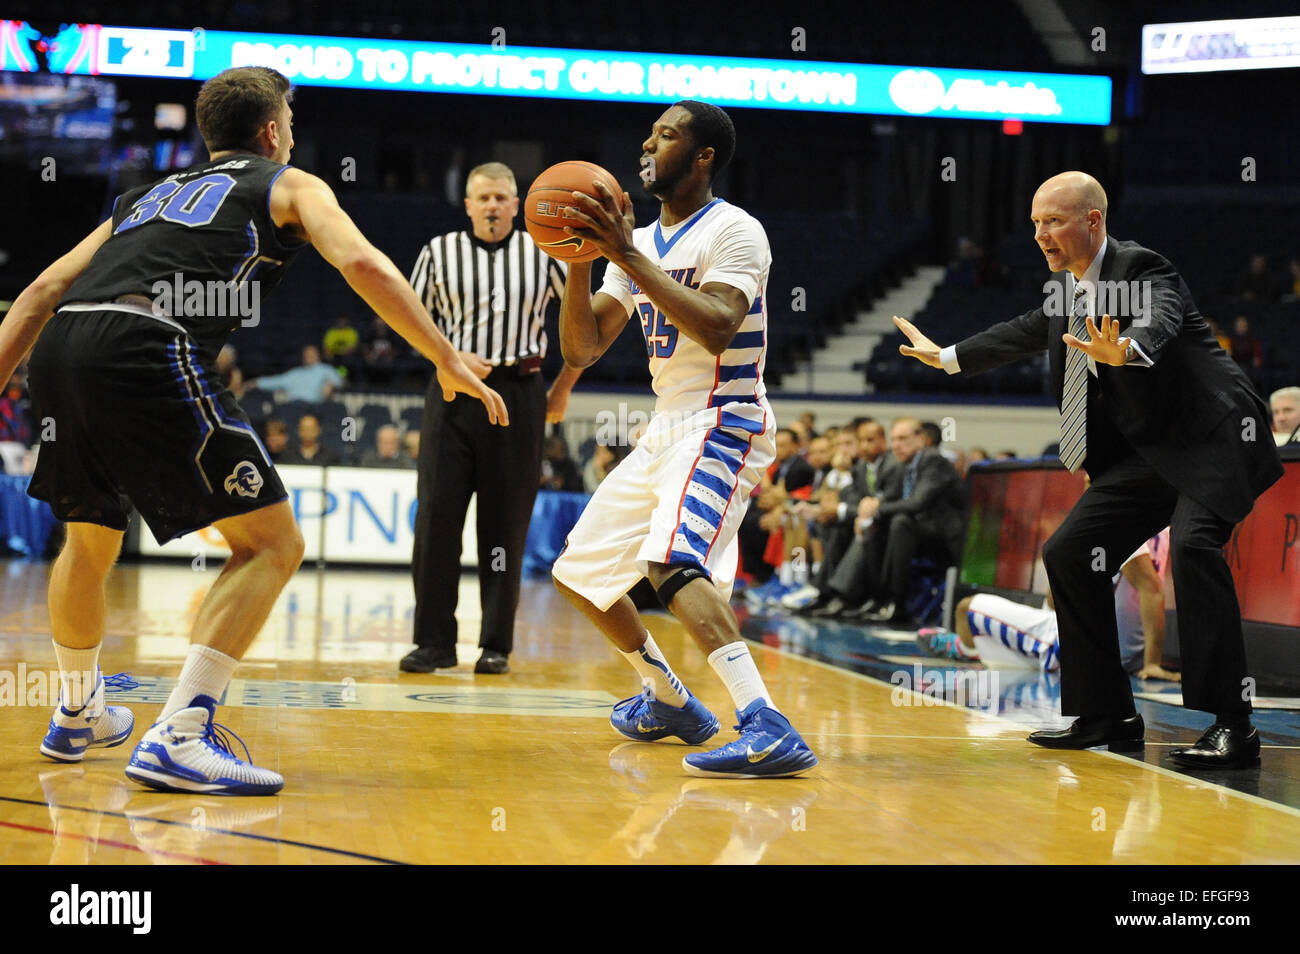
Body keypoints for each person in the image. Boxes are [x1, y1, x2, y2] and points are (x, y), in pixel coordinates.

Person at [0, 66, 505, 796]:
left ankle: (78, 711)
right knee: (272, 543)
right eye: (290, 124)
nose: (291, 135)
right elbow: (361, 260)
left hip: (64, 345)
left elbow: (44, 291)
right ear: (272, 131)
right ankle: (180, 734)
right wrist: (445, 357)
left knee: (89, 536)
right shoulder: (289, 183)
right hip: (149, 344)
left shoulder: (144, 197)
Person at [894, 171, 1283, 768]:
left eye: (1052, 221)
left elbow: (1161, 315)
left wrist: (1126, 349)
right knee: (1071, 552)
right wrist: (945, 356)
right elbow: (1024, 330)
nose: (1040, 234)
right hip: (1149, 453)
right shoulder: (1065, 291)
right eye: (1034, 224)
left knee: (1195, 549)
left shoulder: (1141, 268)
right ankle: (1108, 713)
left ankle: (1235, 725)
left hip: (1214, 437)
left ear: (1091, 220)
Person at [551, 99, 817, 778]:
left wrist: (623, 254)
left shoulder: (735, 231)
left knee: (670, 560)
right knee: (580, 575)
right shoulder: (633, 245)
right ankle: (669, 699)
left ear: (703, 157)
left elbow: (719, 327)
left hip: (724, 418)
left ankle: (766, 724)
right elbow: (581, 347)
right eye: (649, 133)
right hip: (667, 424)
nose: (648, 144)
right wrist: (581, 259)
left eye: (666, 135)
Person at [400, 161, 581, 676]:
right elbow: (407, 320)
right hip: (454, 392)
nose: (493, 206)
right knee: (436, 518)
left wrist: (561, 388)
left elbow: (582, 326)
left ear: (517, 203)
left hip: (520, 391)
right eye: (484, 198)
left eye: (502, 197)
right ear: (469, 204)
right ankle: (432, 643)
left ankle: (495, 644)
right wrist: (447, 359)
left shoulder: (545, 252)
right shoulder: (437, 253)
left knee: (506, 523)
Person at [919, 528, 1181, 682]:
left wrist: (1152, 664)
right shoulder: (1159, 526)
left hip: (1076, 648)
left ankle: (965, 648)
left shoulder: (1118, 521)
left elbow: (1152, 590)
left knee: (966, 606)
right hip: (1120, 652)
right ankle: (979, 648)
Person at [810, 417, 964, 624]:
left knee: (899, 522)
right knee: (876, 526)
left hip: (944, 538)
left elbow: (917, 503)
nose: (897, 445)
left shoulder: (932, 459)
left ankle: (896, 604)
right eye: (894, 439)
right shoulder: (907, 464)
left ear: (921, 438)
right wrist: (870, 514)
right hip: (917, 532)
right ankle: (876, 599)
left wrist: (875, 510)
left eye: (903, 438)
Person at [247, 344, 342, 402]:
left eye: (312, 354)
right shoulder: (295, 373)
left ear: (318, 355)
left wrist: (331, 384)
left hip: (315, 408)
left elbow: (340, 381)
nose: (309, 356)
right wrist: (255, 382)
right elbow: (275, 381)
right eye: (306, 354)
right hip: (293, 407)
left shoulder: (326, 370)